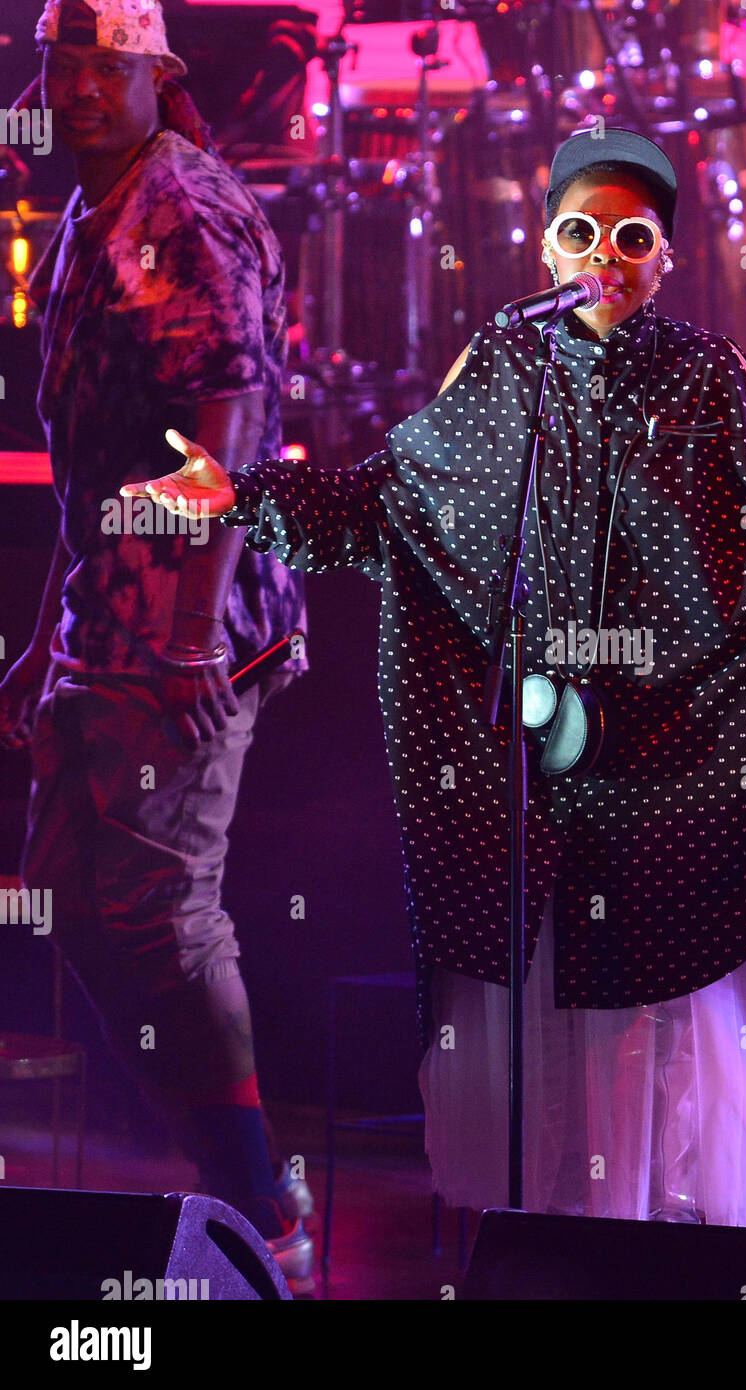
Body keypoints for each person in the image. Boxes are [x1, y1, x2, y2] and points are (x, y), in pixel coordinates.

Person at [125, 128, 746, 1230]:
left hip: (668, 780)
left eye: (631, 235)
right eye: (579, 232)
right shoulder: (502, 365)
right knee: (552, 1096)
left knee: (671, 1079)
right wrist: (242, 497)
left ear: (666, 257)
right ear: (544, 248)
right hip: (535, 798)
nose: (603, 256)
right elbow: (386, 506)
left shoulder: (707, 376)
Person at [0, 0, 312, 1286]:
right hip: (109, 611)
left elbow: (227, 420)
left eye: (107, 64)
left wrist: (187, 634)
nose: (77, 84)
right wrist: (43, 635)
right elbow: (95, 467)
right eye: (62, 62)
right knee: (69, 895)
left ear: (157, 76)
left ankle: (263, 1214)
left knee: (163, 915)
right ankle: (226, 1174)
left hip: (186, 618)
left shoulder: (178, 207)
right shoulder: (99, 201)